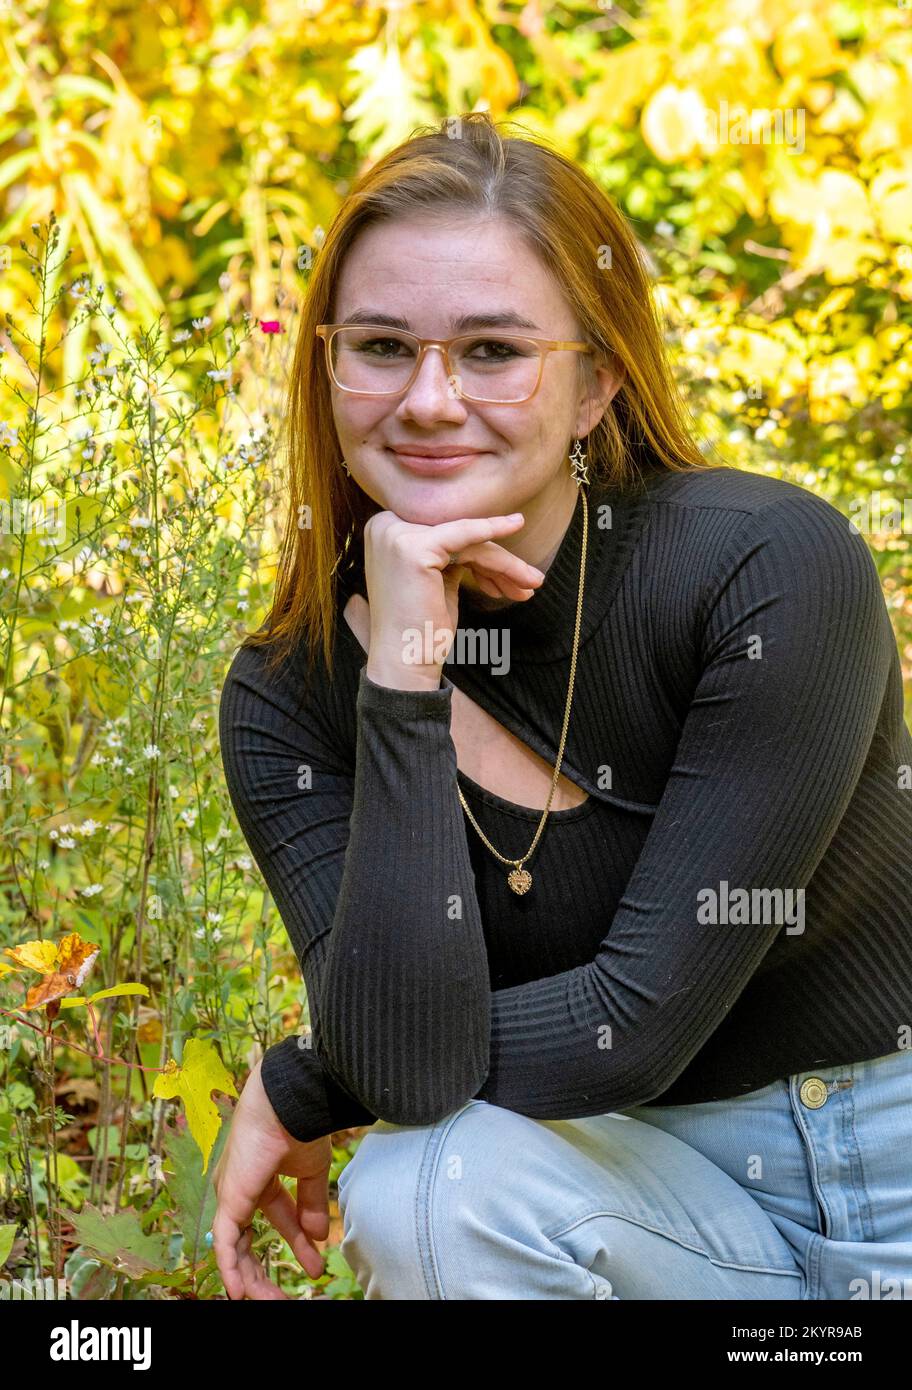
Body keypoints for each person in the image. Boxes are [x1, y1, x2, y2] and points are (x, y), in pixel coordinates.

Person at [212, 112, 912, 1301]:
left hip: (889, 1169)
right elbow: (408, 1058)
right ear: (326, 367)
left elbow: (634, 1022)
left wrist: (304, 1078)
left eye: (493, 351)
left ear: (594, 384)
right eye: (381, 344)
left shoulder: (766, 569)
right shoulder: (290, 696)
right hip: (635, 1190)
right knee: (420, 1192)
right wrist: (405, 679)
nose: (429, 400)